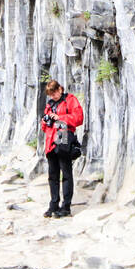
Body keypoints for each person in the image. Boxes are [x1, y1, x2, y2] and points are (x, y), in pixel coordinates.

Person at [40, 79, 84, 218]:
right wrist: (46, 119)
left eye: (54, 93)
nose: (53, 96)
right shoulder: (50, 104)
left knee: (65, 172)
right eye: (50, 94)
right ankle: (53, 205)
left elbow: (78, 118)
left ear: (60, 89)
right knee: (52, 174)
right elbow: (44, 126)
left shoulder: (70, 100)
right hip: (51, 138)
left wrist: (60, 118)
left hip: (63, 133)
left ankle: (66, 207)